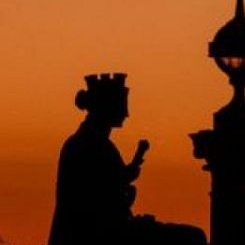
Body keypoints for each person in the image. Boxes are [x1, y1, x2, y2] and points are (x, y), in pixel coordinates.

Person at [48, 73, 205, 245]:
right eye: (121, 104)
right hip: (98, 233)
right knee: (192, 237)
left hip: (103, 228)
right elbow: (97, 200)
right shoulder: (91, 145)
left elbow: (109, 185)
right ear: (107, 107)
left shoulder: (91, 143)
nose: (126, 114)